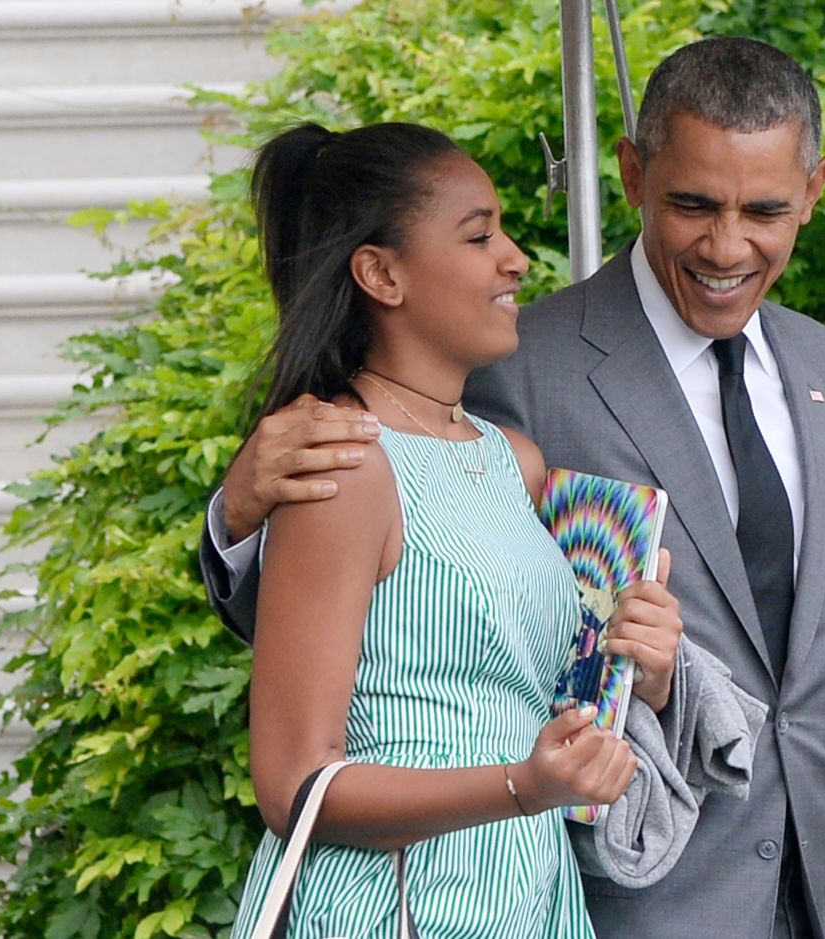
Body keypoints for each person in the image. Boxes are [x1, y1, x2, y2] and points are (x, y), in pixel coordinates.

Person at [203, 38, 825, 939]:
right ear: (633, 175)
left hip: (801, 899)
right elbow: (377, 625)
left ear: (814, 190)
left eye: (764, 209)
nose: (728, 243)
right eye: (692, 204)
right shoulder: (518, 367)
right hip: (589, 902)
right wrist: (236, 516)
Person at [219, 120, 684, 938]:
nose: (515, 258)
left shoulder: (519, 463)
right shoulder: (346, 462)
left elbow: (535, 699)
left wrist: (635, 666)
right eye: (479, 236)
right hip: (393, 906)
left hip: (529, 896)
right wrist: (520, 786)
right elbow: (294, 783)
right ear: (381, 273)